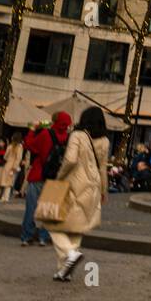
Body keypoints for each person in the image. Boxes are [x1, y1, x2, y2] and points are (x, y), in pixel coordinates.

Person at [46, 107, 110, 282]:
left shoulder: (77, 135)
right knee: (76, 227)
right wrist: (104, 190)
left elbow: (70, 160)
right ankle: (63, 271)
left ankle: (69, 253)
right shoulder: (105, 140)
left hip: (75, 183)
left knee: (52, 223)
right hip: (94, 186)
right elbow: (103, 167)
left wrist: (59, 177)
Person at [21, 113, 71, 247]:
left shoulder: (45, 134)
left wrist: (32, 130)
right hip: (57, 178)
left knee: (31, 208)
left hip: (39, 174)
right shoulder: (69, 138)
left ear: (54, 121)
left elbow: (30, 145)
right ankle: (43, 237)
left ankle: (27, 236)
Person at [0, 133, 26, 201]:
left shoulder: (10, 146)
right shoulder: (20, 147)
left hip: (5, 165)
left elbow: (5, 156)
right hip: (11, 166)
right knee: (8, 183)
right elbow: (18, 158)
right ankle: (5, 198)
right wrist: (14, 167)